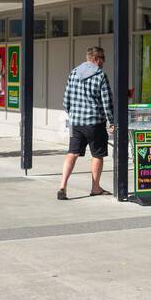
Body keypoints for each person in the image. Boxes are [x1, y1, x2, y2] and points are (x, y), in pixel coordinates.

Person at [58, 45, 115, 200]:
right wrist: (112, 121)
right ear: (96, 59)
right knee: (97, 155)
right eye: (102, 59)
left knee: (72, 153)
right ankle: (95, 188)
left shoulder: (74, 73)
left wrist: (73, 114)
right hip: (94, 123)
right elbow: (107, 102)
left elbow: (66, 99)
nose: (104, 62)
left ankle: (62, 186)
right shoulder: (100, 76)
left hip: (76, 123)